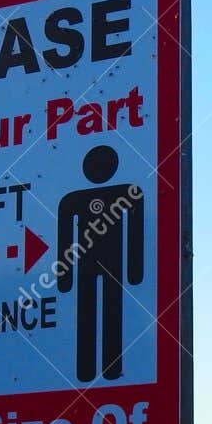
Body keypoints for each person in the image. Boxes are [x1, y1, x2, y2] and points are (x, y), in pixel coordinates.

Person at [56, 144, 144, 383]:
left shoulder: (126, 193)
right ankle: (85, 370)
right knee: (85, 315)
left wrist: (135, 270)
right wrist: (64, 277)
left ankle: (112, 369)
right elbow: (65, 236)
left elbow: (135, 233)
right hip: (85, 265)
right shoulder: (72, 200)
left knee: (112, 313)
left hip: (113, 266)